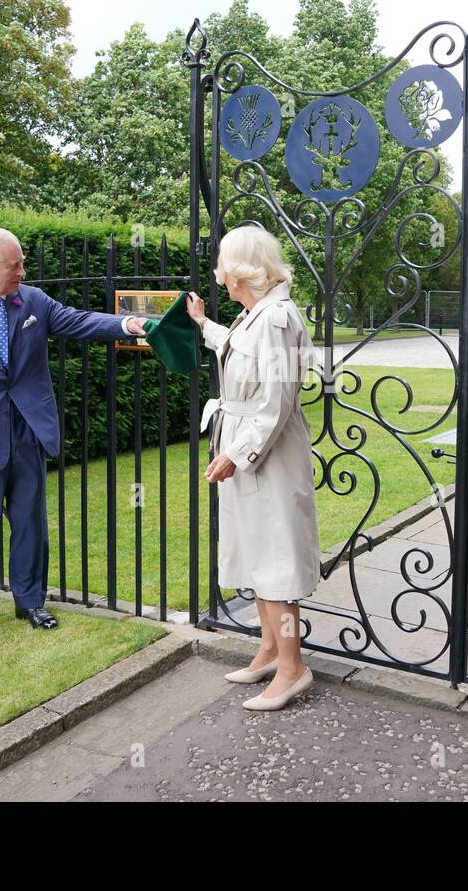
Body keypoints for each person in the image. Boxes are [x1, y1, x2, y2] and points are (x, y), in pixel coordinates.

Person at [0, 227, 147, 648]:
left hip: (27, 436)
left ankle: (30, 601)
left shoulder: (34, 302)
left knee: (30, 527)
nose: (23, 271)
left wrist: (129, 323)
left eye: (22, 263)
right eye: (15, 265)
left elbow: (79, 321)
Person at [186, 224, 321, 711]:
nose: (218, 274)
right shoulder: (255, 316)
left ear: (239, 269)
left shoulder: (278, 319)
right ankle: (269, 651)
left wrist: (236, 454)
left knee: (278, 562)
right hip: (248, 452)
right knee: (257, 557)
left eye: (222, 262)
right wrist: (203, 325)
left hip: (269, 458)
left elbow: (276, 401)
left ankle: (293, 667)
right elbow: (237, 351)